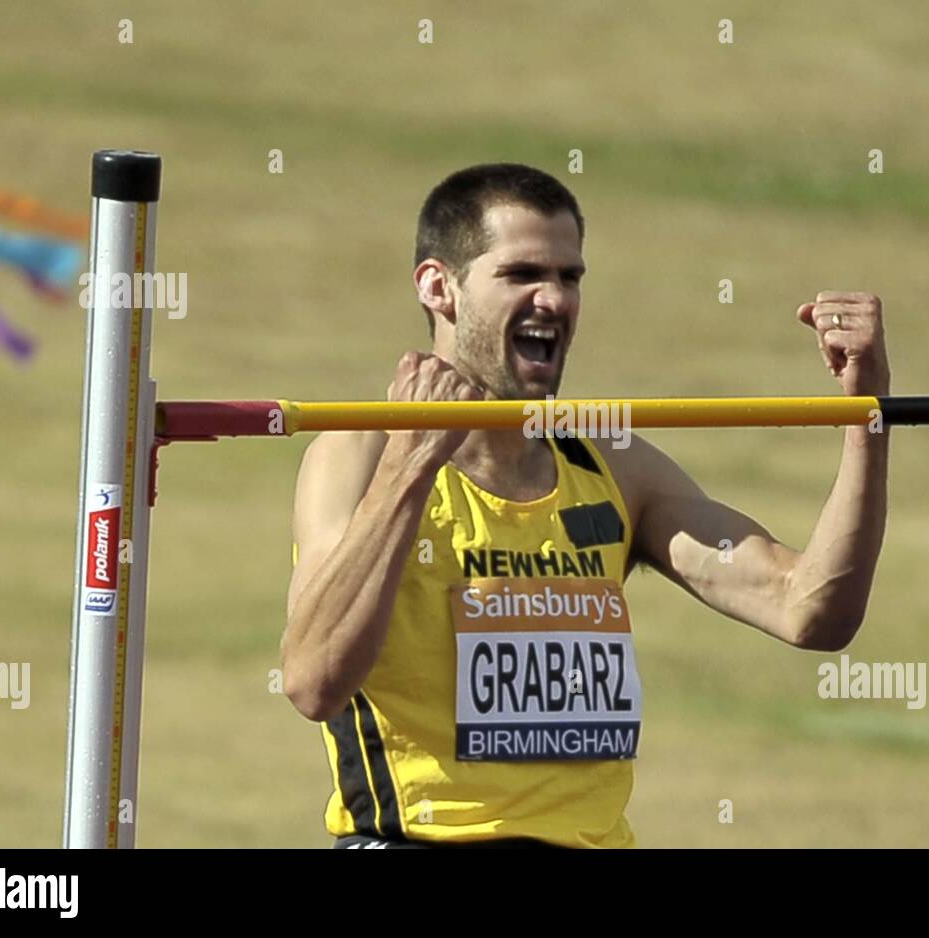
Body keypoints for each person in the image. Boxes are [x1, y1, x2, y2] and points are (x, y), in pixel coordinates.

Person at [280, 163, 891, 848]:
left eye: (570, 277)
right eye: (522, 275)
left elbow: (810, 608)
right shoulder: (359, 452)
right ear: (438, 287)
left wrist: (866, 415)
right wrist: (409, 470)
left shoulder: (611, 464)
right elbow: (313, 682)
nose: (554, 300)